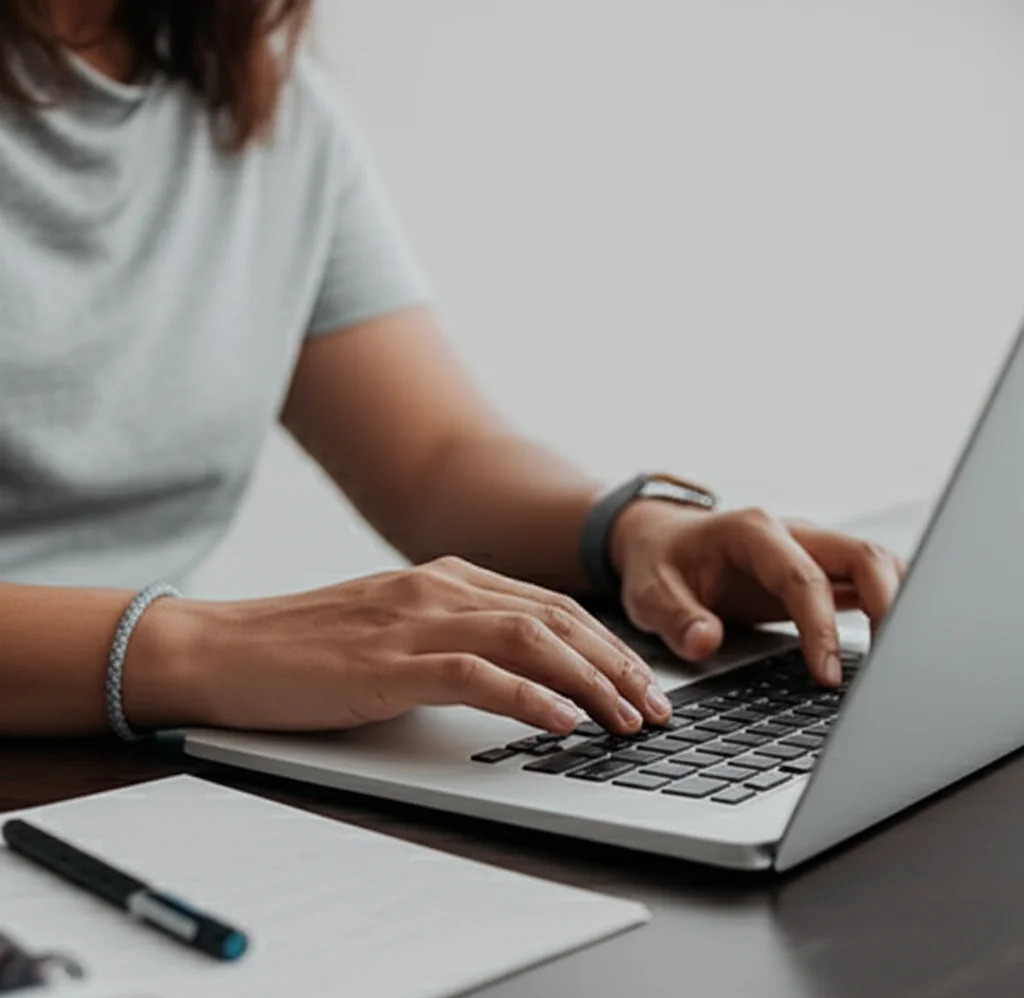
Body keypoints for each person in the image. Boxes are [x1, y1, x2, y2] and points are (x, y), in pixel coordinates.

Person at [0, 0, 905, 742]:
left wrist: (633, 532)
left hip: (135, 755)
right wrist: (206, 648)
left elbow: (434, 456)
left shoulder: (266, 110)